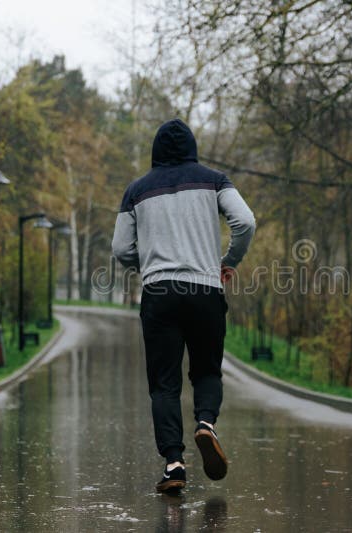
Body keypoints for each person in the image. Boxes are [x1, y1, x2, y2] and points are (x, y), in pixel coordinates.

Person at [111, 118, 256, 492]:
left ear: (155, 151)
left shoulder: (136, 190)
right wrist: (229, 262)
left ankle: (174, 464)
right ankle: (206, 423)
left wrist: (148, 268)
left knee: (164, 384)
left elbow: (120, 249)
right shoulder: (214, 179)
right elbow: (245, 221)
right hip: (205, 289)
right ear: (192, 147)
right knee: (207, 371)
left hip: (159, 294)